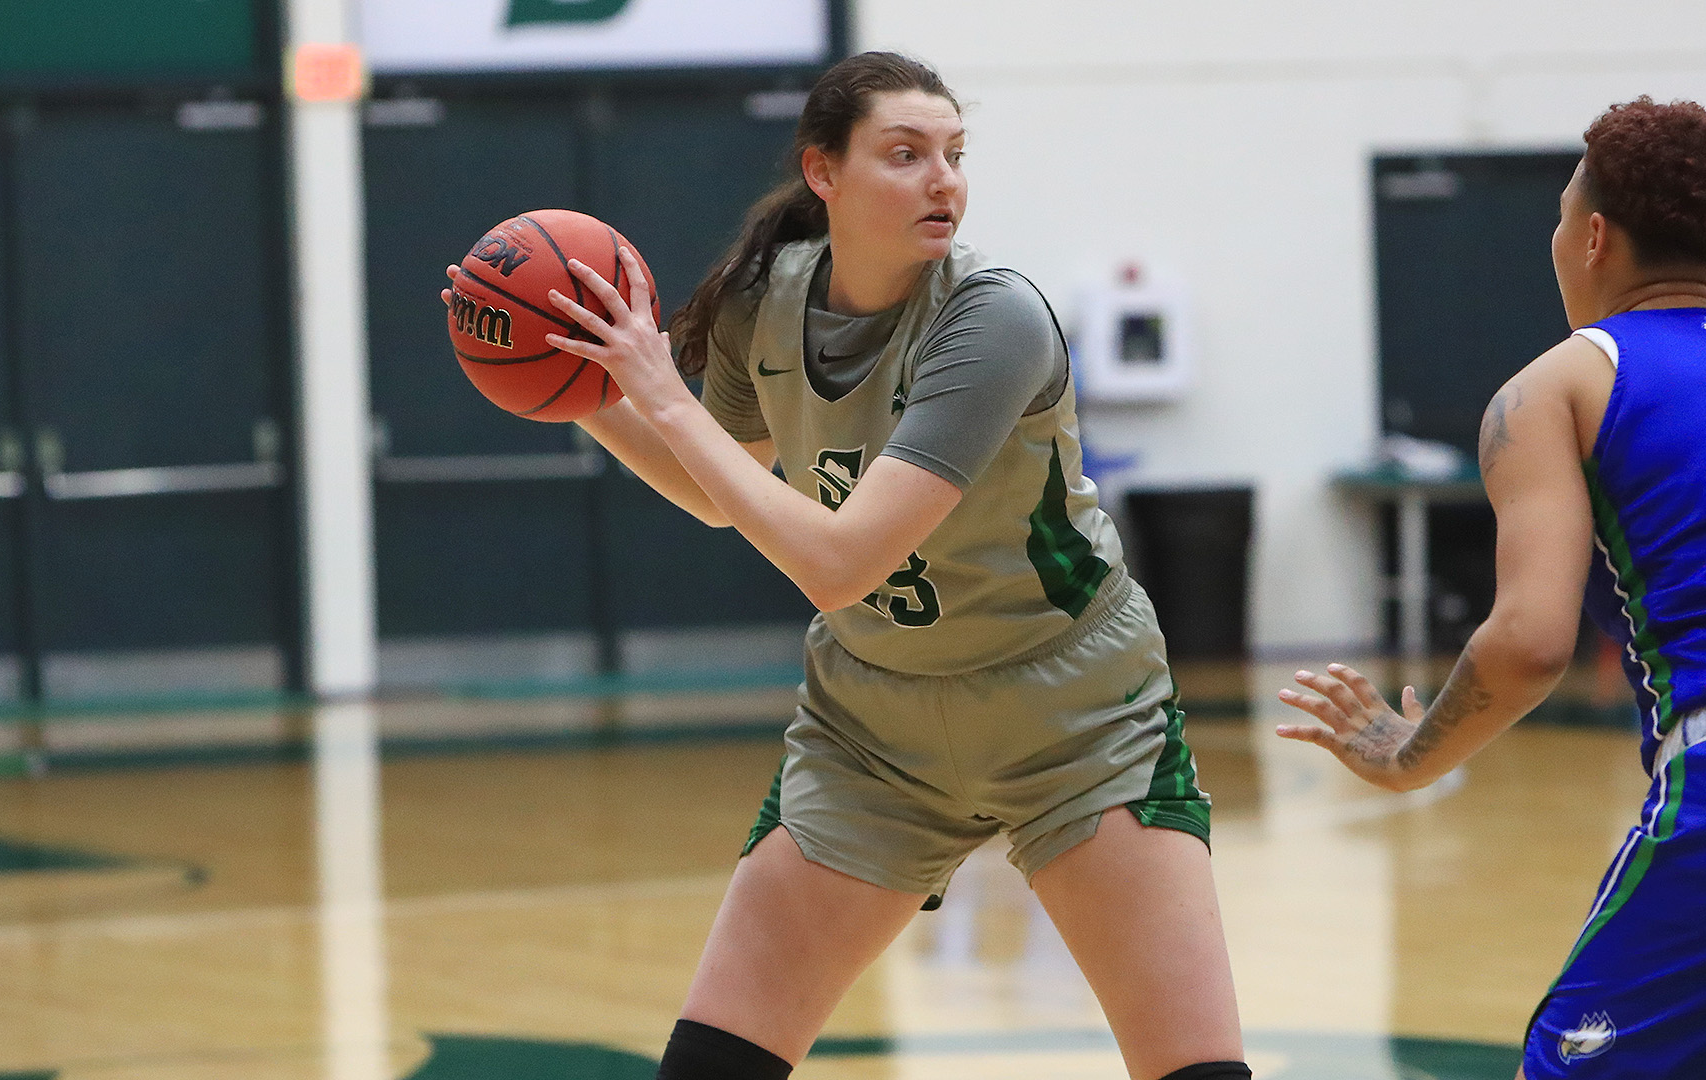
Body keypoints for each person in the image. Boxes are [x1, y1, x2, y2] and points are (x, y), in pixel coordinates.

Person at [451, 51, 1251, 1080]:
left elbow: (839, 563)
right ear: (822, 172)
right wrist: (589, 387)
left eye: (955, 155)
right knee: (711, 1065)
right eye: (906, 154)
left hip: (1074, 718)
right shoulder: (759, 305)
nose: (943, 180)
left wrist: (656, 393)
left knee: (1193, 1072)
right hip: (876, 725)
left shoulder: (993, 317)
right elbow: (715, 491)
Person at [1274, 97, 1706, 1080]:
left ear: (1592, 237)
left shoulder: (1558, 383)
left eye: (1560, 218)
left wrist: (1407, 756)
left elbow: (1529, 641)